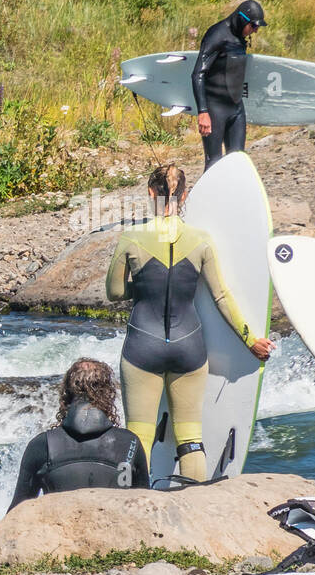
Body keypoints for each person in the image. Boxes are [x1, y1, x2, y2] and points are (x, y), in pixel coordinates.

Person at [105, 164, 273, 481]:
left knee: (138, 436)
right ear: (184, 196)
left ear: (151, 193)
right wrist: (251, 340)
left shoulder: (131, 237)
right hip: (189, 346)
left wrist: (140, 287)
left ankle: (131, 505)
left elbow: (114, 292)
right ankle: (193, 505)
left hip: (142, 346)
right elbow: (221, 296)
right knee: (190, 438)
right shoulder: (201, 240)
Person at [8, 358, 148, 509]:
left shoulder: (43, 444)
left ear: (66, 394)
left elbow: (17, 511)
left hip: (60, 529)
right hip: (112, 529)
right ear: (108, 393)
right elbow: (144, 507)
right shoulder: (130, 442)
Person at [193, 0, 267, 171]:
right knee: (214, 163)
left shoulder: (241, 37)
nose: (255, 31)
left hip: (236, 108)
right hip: (215, 109)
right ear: (242, 19)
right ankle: (209, 198)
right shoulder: (216, 35)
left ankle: (234, 198)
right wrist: (203, 112)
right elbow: (197, 74)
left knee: (238, 161)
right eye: (253, 26)